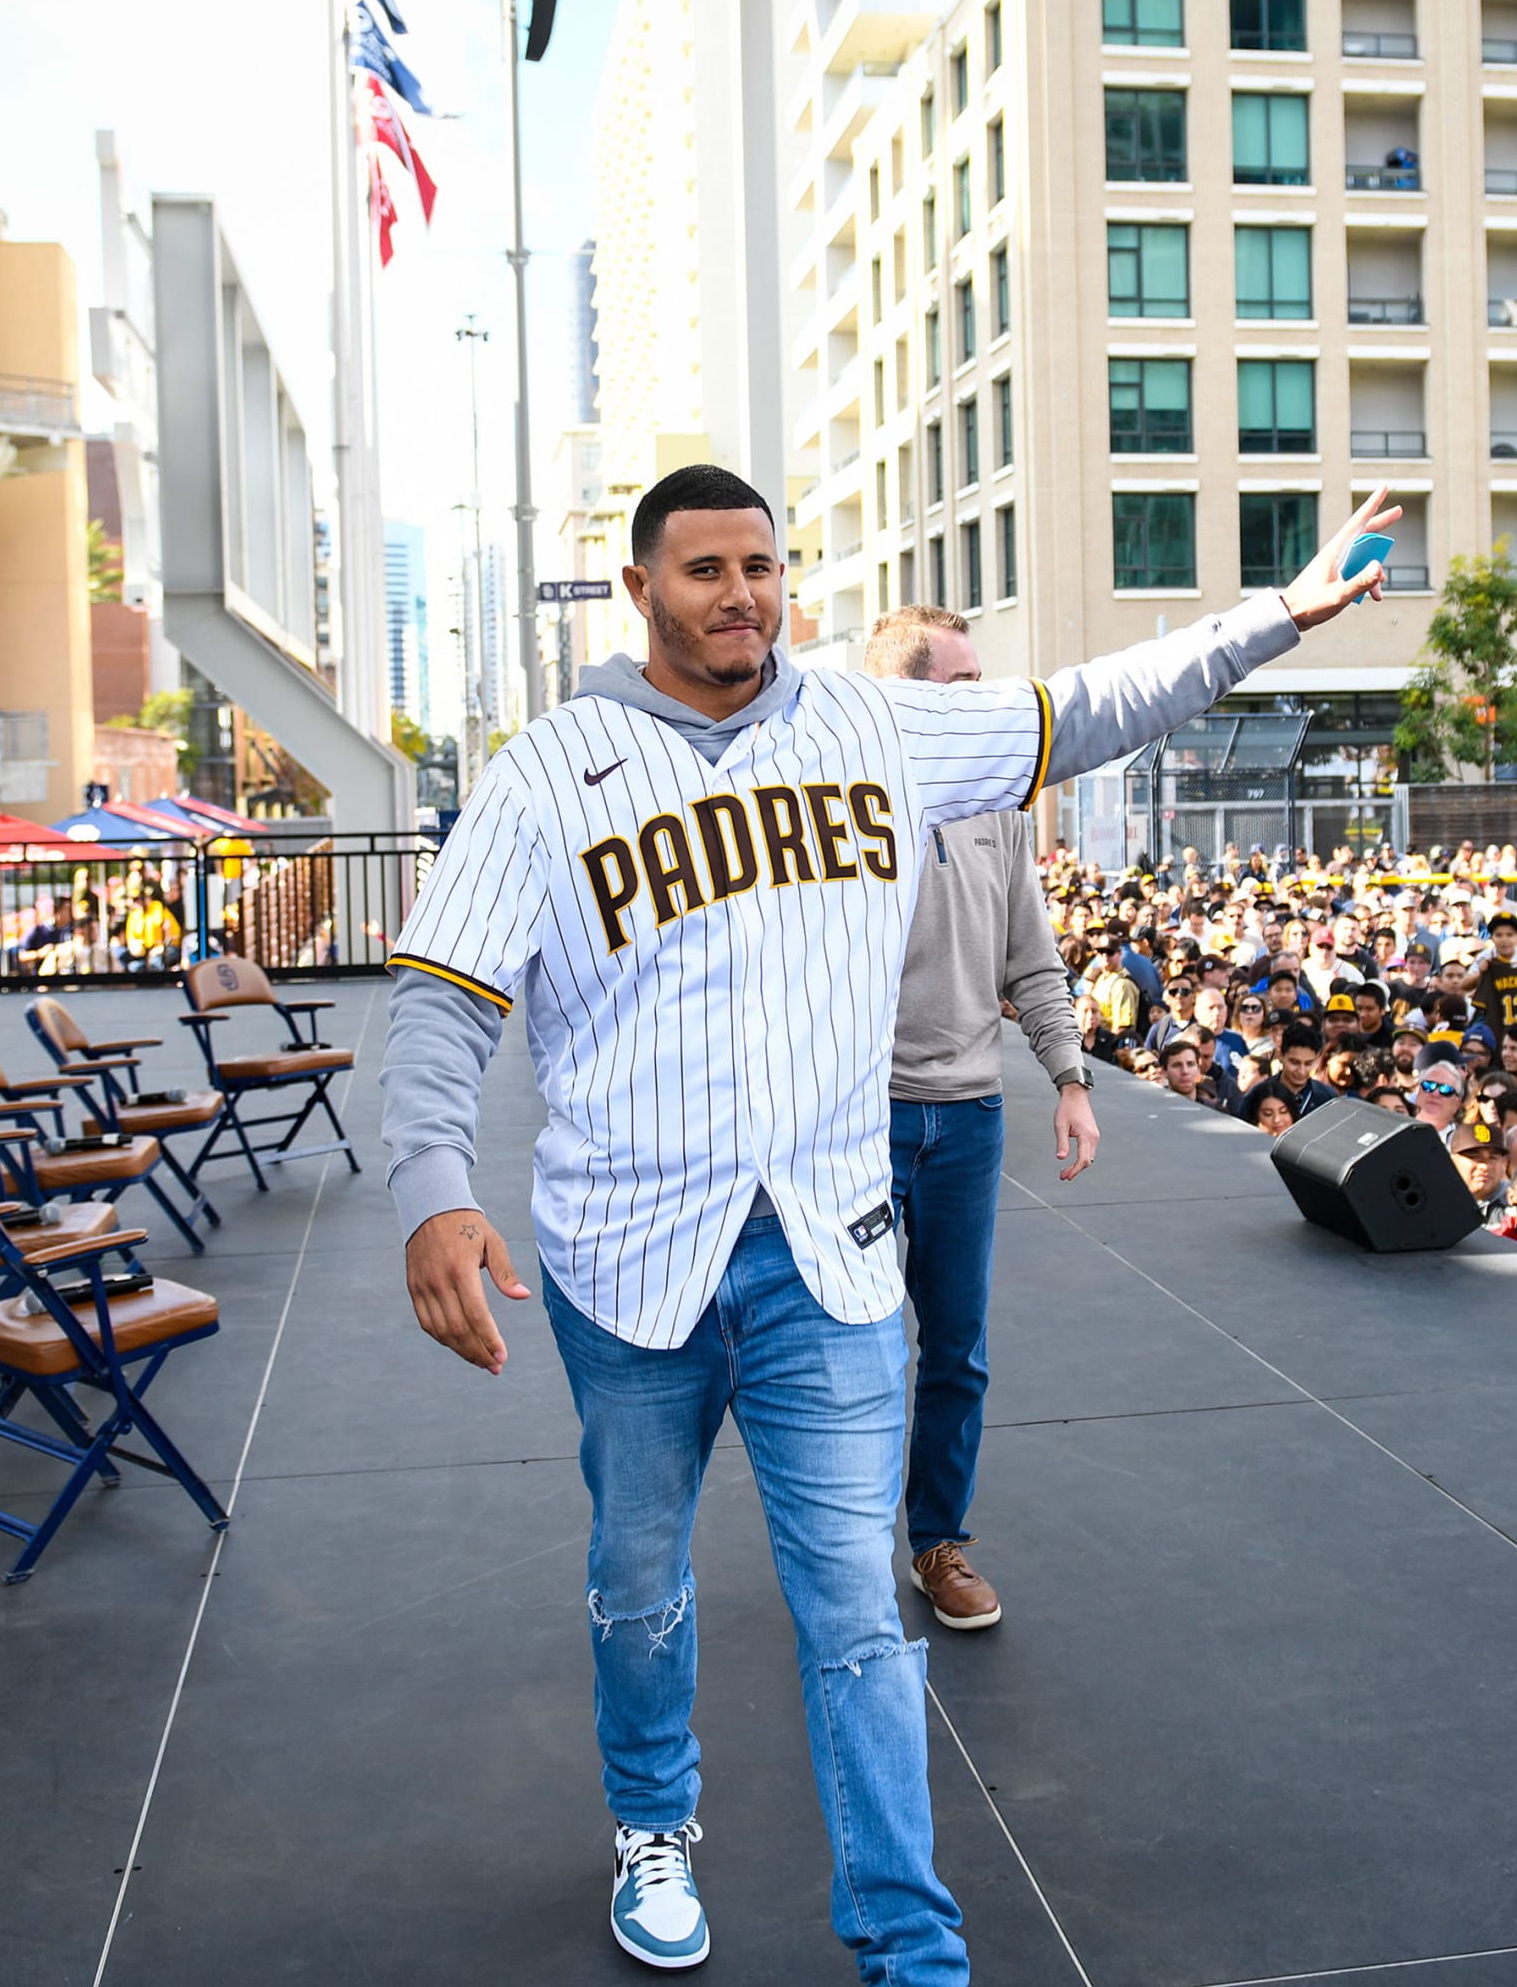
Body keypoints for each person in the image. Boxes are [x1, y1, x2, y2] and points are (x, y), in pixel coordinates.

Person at [381, 461, 1392, 1979]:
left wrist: (1275, 618)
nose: (741, 594)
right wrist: (434, 1192)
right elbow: (444, 1003)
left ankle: (909, 1947)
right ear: (644, 584)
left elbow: (1083, 708)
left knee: (858, 1605)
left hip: (827, 1254)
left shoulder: (877, 725)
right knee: (640, 1581)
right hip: (626, 1257)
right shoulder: (550, 768)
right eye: (706, 569)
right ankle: (655, 1824)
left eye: (762, 567)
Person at [863, 604, 1099, 1634]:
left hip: (967, 1119)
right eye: (964, 689)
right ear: (907, 699)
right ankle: (845, 1545)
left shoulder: (1001, 805)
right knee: (849, 1353)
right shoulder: (835, 808)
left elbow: (1031, 961)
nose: (986, 705)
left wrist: (1071, 1078)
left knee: (956, 1346)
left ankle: (937, 1542)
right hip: (852, 1123)